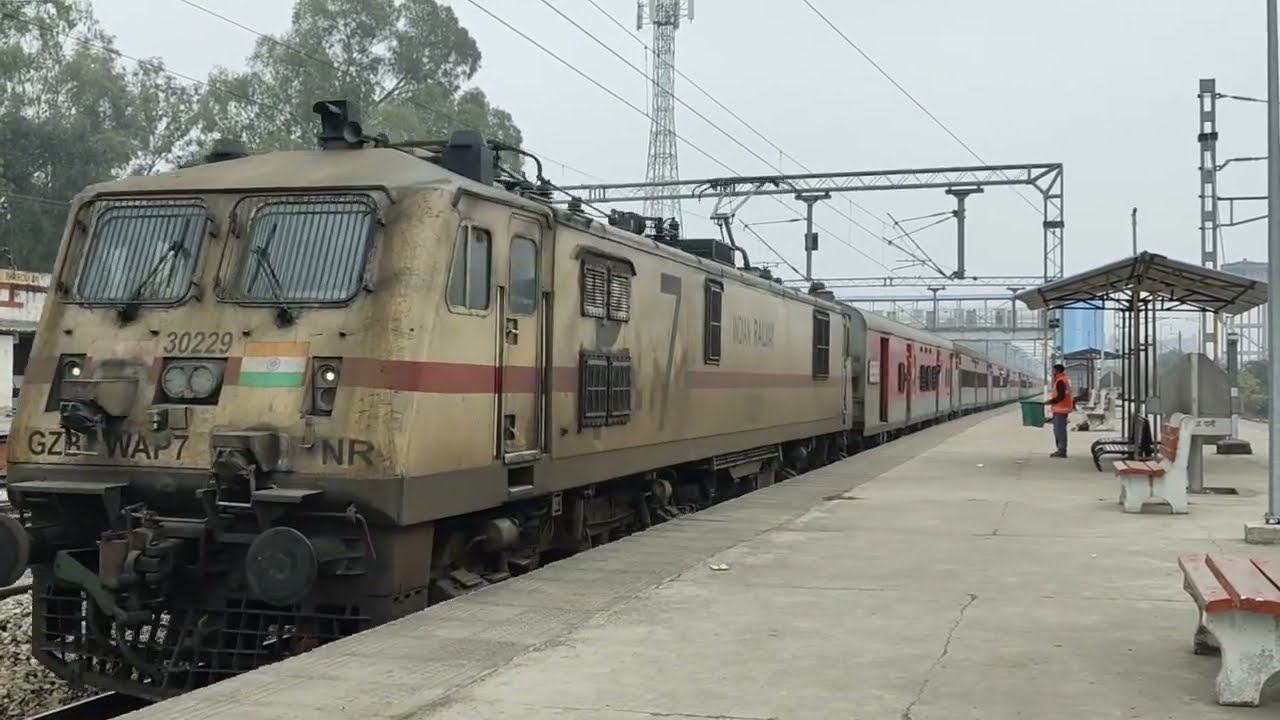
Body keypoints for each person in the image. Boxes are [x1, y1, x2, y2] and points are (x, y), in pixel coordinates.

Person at [1043, 363, 1073, 458]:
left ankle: (1062, 451)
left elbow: (1061, 396)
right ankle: (1061, 450)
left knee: (1059, 431)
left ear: (1058, 371)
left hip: (1061, 410)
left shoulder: (1060, 381)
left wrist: (1050, 401)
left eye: (1054, 370)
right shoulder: (1063, 380)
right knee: (1059, 430)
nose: (1052, 372)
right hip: (1061, 410)